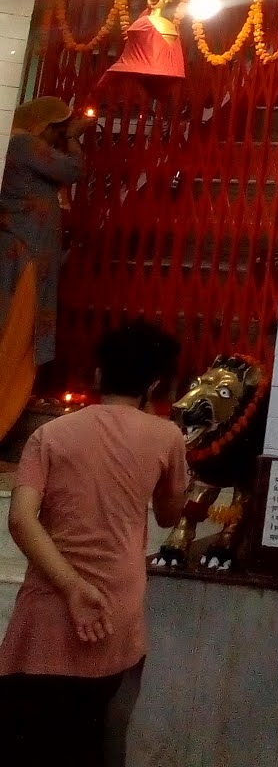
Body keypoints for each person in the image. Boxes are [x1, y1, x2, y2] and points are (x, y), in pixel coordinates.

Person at [0, 320, 188, 764]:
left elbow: (21, 520)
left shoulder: (50, 435)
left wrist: (70, 586)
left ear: (100, 376)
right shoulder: (167, 438)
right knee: (98, 740)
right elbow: (168, 514)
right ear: (155, 384)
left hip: (45, 616)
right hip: (115, 616)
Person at [0, 97, 86, 441]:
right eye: (57, 131)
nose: (57, 138)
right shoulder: (21, 142)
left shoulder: (20, 143)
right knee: (14, 338)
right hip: (23, 257)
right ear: (44, 126)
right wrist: (76, 137)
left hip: (28, 255)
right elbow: (72, 171)